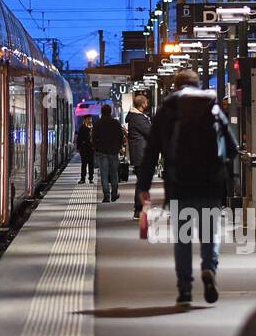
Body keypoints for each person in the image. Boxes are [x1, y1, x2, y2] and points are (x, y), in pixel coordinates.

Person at [135, 69, 238, 305]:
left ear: (175, 87)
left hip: (180, 185)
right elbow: (232, 148)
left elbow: (151, 152)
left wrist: (144, 186)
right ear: (197, 84)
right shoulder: (212, 108)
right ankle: (209, 269)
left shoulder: (167, 111)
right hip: (211, 185)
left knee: (183, 239)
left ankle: (185, 291)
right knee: (209, 234)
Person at [126, 92, 154, 219]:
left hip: (139, 153)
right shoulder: (138, 118)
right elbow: (150, 132)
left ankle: (140, 208)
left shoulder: (135, 117)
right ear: (142, 104)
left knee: (141, 182)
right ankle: (139, 209)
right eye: (146, 102)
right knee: (142, 183)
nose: (147, 104)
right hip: (141, 154)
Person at [91, 102, 125, 203]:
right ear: (110, 112)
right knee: (114, 173)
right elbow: (120, 137)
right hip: (114, 152)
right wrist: (118, 147)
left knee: (104, 174)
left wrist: (97, 148)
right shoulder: (116, 123)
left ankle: (106, 195)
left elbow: (93, 138)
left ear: (102, 112)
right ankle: (114, 194)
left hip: (102, 152)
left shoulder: (97, 124)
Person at [76, 114, 95, 183]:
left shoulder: (93, 128)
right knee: (84, 164)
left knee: (91, 164)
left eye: (90, 119)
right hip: (84, 148)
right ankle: (82, 178)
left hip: (91, 149)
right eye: (88, 119)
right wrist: (78, 147)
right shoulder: (82, 128)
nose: (89, 120)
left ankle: (91, 178)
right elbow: (79, 138)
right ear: (85, 120)